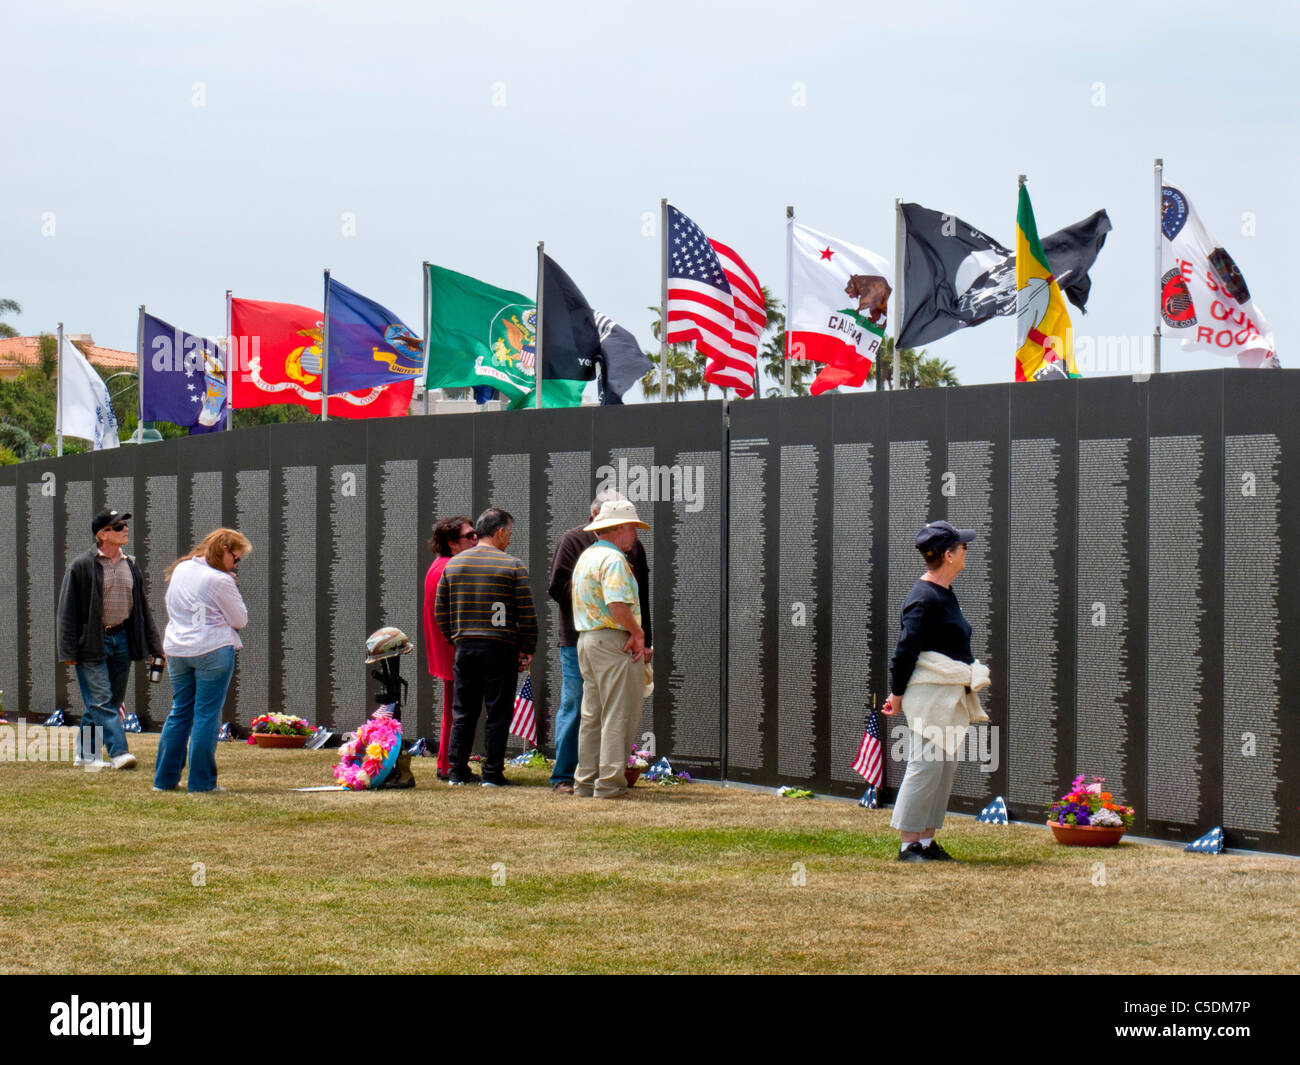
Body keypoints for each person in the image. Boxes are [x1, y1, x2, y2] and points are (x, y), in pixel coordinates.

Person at [886, 519, 983, 862]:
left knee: (943, 766)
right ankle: (908, 844)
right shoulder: (924, 598)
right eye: (962, 547)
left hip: (947, 697)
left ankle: (926, 842)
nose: (966, 551)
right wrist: (896, 695)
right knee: (925, 764)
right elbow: (905, 649)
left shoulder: (943, 593)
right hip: (928, 697)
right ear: (948, 555)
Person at [547, 490, 652, 795]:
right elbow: (618, 604)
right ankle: (609, 784)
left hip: (586, 641)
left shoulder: (587, 556)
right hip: (613, 642)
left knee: (591, 715)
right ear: (619, 527)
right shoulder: (613, 559)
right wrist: (638, 633)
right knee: (618, 713)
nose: (635, 533)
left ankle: (584, 781)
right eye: (632, 526)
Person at [435, 507, 537, 787]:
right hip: (500, 647)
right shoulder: (513, 566)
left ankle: (457, 772)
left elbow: (440, 611)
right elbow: (525, 612)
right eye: (509, 533)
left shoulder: (453, 565)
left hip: (465, 647)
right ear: (500, 531)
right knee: (498, 712)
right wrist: (527, 647)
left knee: (463, 712)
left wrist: (454, 638)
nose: (510, 539)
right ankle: (492, 773)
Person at [58, 507, 164, 771]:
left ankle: (86, 756)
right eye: (118, 527)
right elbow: (67, 610)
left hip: (122, 640)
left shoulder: (131, 565)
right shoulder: (82, 565)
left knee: (106, 702)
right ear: (102, 534)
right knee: (102, 700)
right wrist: (68, 652)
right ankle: (119, 752)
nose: (125, 529)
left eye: (125, 525)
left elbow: (141, 610)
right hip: (91, 643)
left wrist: (155, 647)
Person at [153, 528, 250, 793]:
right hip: (212, 649)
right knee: (206, 714)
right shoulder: (221, 581)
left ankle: (164, 781)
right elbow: (240, 619)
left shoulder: (183, 569)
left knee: (180, 712)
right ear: (225, 551)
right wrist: (230, 583)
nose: (236, 564)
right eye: (236, 558)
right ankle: (202, 783)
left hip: (177, 649)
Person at [422, 515, 477, 780]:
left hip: (448, 649)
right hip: (455, 649)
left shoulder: (440, 565)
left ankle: (448, 762)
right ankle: (448, 764)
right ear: (452, 543)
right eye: (469, 536)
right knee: (456, 712)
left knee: (453, 710)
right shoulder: (450, 568)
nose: (476, 539)